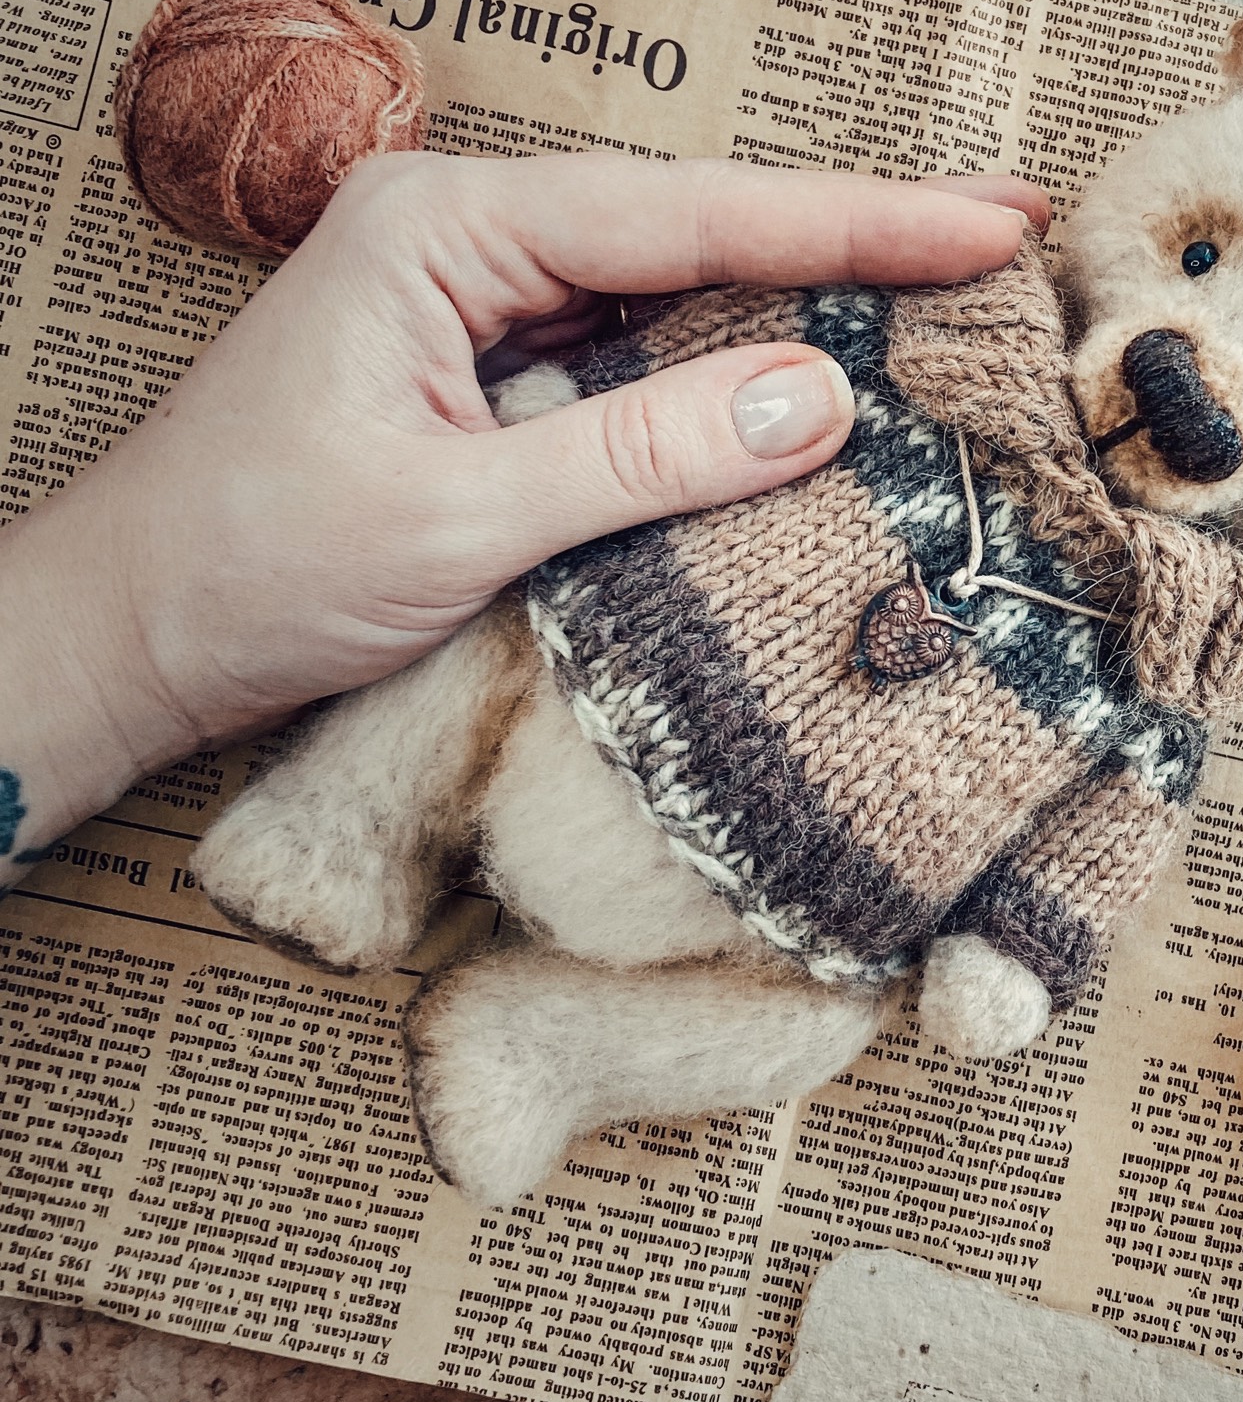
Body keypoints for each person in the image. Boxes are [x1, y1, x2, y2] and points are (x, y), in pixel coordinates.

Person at [0, 152, 1044, 890]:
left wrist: (119, 647)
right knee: (491, 639)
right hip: (601, 595)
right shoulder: (885, 334)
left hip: (768, 872)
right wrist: (573, 405)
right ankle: (341, 828)